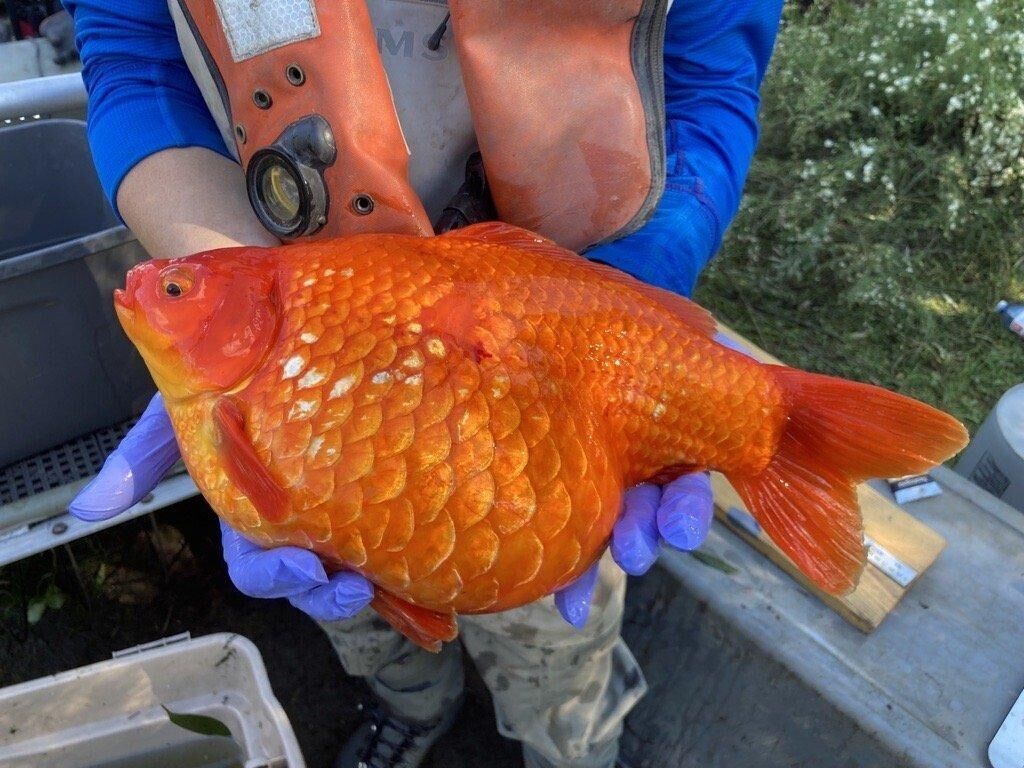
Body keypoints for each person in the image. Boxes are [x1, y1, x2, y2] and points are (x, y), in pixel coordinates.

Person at [63, 1, 783, 766]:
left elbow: (706, 86)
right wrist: (245, 301)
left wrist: (610, 319)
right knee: (345, 589)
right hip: (301, 295)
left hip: (550, 357)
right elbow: (134, 51)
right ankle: (413, 705)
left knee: (557, 630)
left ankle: (571, 745)